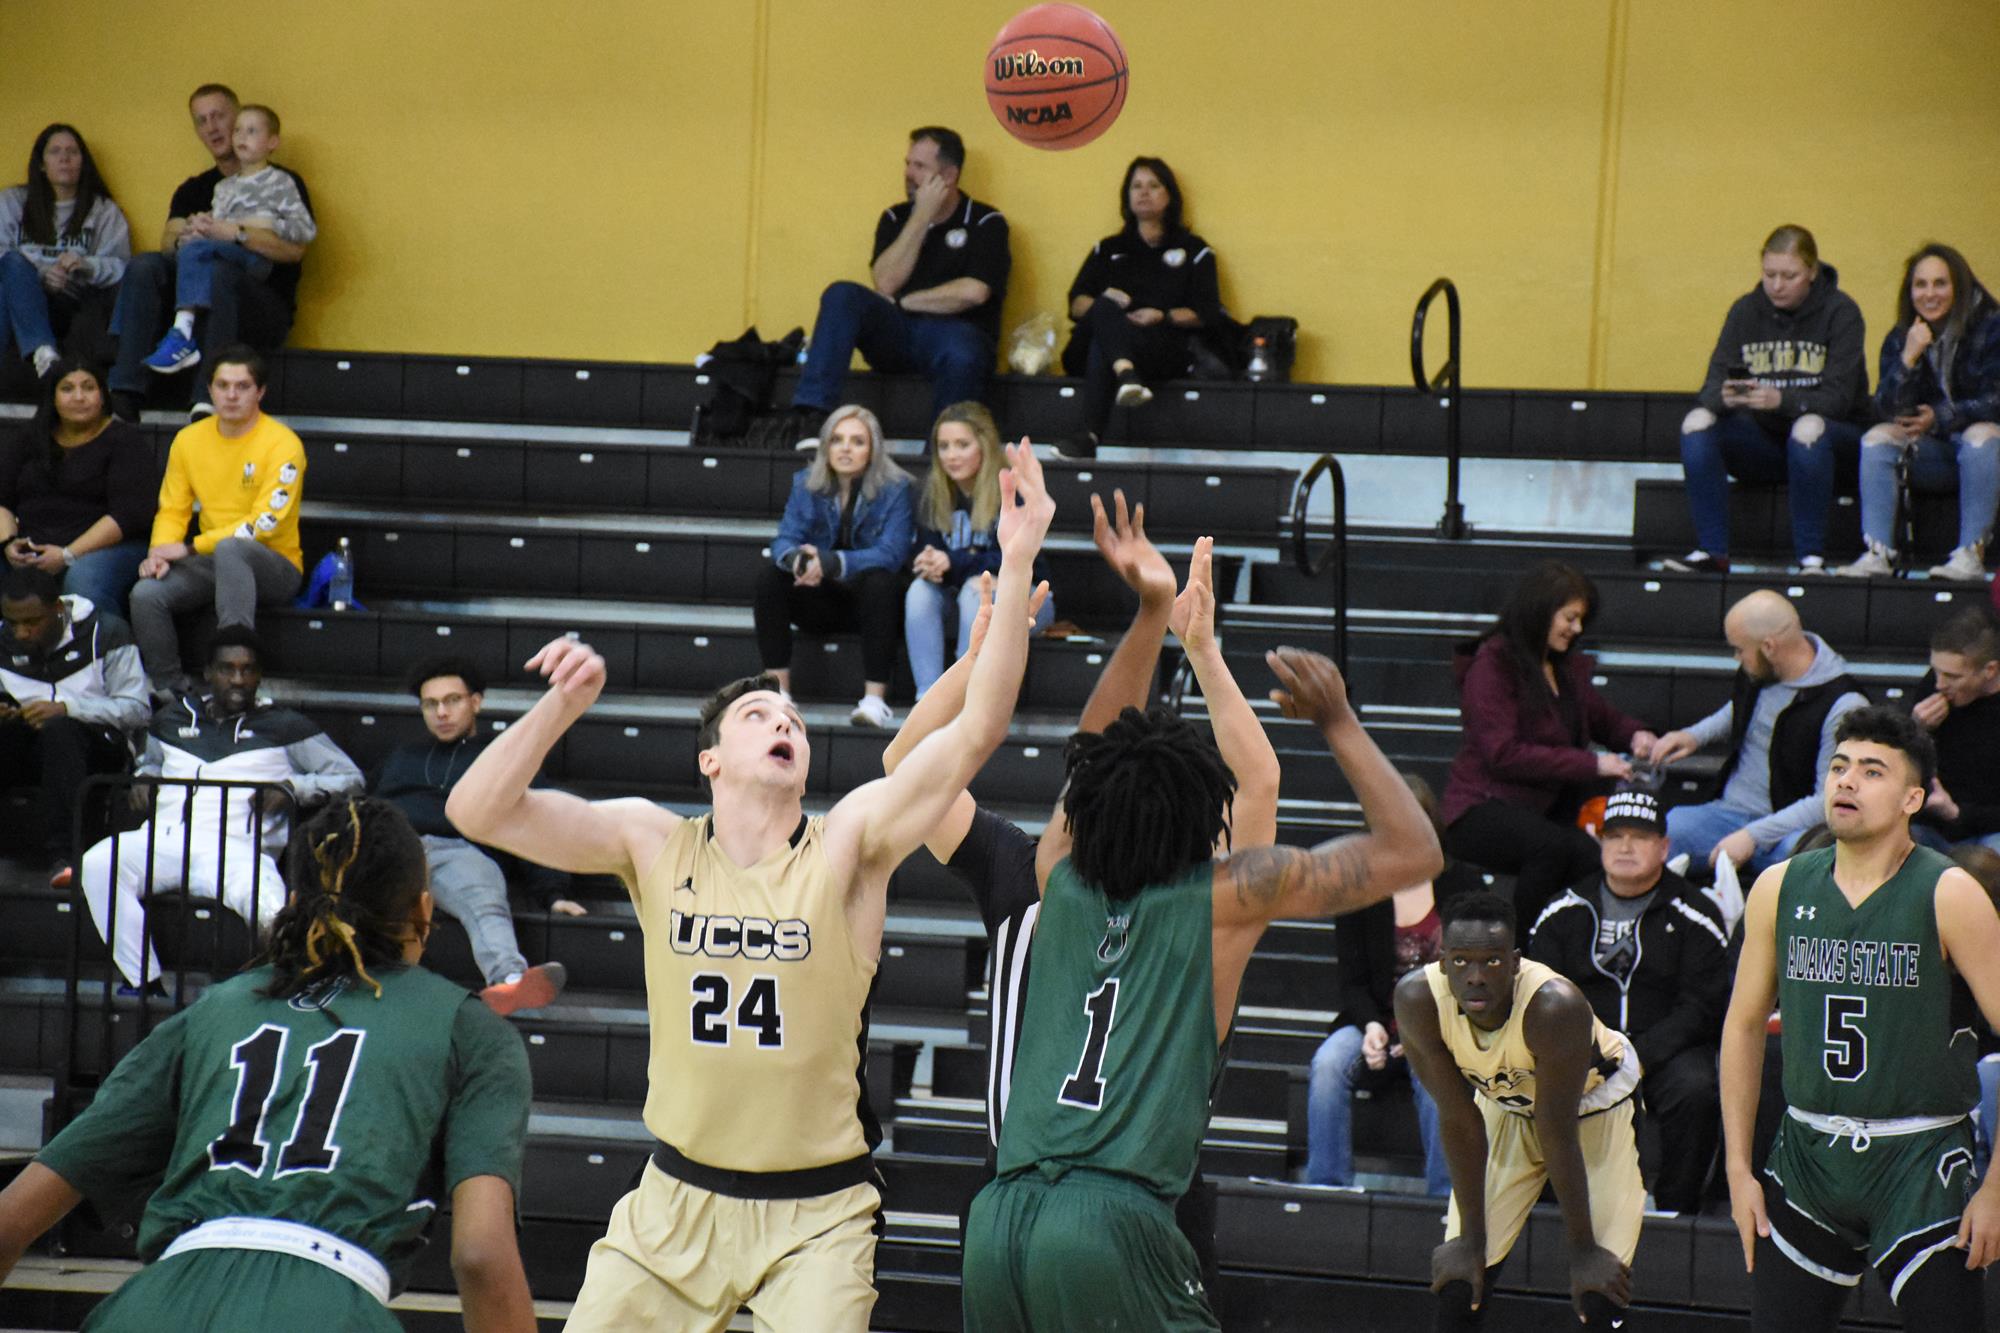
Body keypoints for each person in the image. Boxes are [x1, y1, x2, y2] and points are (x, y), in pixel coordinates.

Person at [446, 441, 1055, 1331]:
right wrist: (557, 708)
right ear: (712, 760)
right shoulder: (654, 842)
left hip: (818, 1215)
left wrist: (1020, 548)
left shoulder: (850, 841)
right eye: (759, 714)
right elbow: (478, 809)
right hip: (671, 1205)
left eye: (795, 719)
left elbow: (976, 732)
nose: (784, 722)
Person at [960, 626, 1441, 1332]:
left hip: (997, 1226)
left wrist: (1148, 612)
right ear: (1201, 816)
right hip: (1113, 1222)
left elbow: (1089, 747)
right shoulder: (1221, 901)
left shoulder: (1056, 881)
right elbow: (1413, 849)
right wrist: (1338, 720)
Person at [888, 503, 1275, 1293]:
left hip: (1050, 1197)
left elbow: (906, 762)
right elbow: (1260, 785)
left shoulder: (1038, 878)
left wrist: (992, 656)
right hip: (1116, 1201)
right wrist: (1189, 644)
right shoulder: (1183, 904)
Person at [0, 798, 538, 1333]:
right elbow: (480, 1256)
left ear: (296, 902)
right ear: (424, 911)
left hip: (155, 1304)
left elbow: (10, 1218)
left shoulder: (214, 1009)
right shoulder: (470, 1029)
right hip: (325, 1304)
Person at [1720, 706, 2000, 1330]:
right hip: (1807, 1157)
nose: (1846, 781)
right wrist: (1739, 1168)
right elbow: (1741, 1027)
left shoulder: (1949, 892)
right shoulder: (1779, 886)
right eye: (1839, 766)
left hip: (1920, 1159)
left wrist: (1998, 1188)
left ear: (1912, 799)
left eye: (1872, 772)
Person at [1397, 891, 1644, 1330]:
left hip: (1595, 1109)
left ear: (1514, 963)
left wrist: (1583, 1250)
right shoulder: (1418, 1001)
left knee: (1599, 1293)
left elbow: (1556, 1131)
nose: (1475, 977)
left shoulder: (1554, 1007)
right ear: (1442, 961)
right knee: (1459, 1285)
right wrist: (1471, 1240)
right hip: (1508, 1108)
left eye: (1490, 962)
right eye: (1461, 962)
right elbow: (1458, 1119)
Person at [79, 627, 364, 991]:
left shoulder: (286, 725)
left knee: (273, 912)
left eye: (248, 670)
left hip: (238, 852)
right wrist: (143, 779)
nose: (238, 679)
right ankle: (142, 981)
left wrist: (293, 788)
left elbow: (350, 777)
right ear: (208, 673)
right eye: (228, 669)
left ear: (259, 675)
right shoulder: (171, 719)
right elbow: (151, 763)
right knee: (99, 863)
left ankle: (283, 995)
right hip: (163, 841)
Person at [1527, 788, 1731, 1214]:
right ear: (1600, 843)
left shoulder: (1695, 911)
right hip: (1582, 1048)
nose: (1624, 846)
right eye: (1614, 835)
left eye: (1639, 837)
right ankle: (1552, 1211)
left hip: (1666, 1050)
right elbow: (1543, 994)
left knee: (1696, 1090)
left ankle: (1677, 1210)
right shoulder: (1563, 910)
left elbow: (1703, 1006)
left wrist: (1636, 1056)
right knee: (1535, 1082)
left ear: (1664, 847)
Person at [1439, 561, 1657, 920]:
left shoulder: (1562, 667)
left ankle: (1573, 950)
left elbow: (1602, 718)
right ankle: (1518, 948)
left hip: (1543, 807)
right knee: (1551, 847)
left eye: (1581, 619)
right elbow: (1503, 754)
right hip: (1480, 807)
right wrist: (1593, 763)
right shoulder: (1492, 666)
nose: (1577, 628)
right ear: (1541, 611)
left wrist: (1637, 735)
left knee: (1593, 858)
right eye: (1570, 618)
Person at [1307, 774, 1480, 1198]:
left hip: (1443, 1024)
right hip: (1375, 1018)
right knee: (1328, 1063)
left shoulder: (1463, 885)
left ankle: (1448, 1196)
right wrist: (1371, 1026)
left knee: (1438, 1072)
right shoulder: (1361, 890)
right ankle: (1326, 1190)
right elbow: (1351, 981)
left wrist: (1423, 1030)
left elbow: (1477, 979)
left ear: (1430, 826)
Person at [371, 656, 574, 1017]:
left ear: (476, 702)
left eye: (452, 700)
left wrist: (553, 893)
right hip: (397, 846)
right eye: (431, 704)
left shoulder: (503, 755)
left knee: (484, 900)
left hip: (461, 851)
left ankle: (509, 980)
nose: (441, 713)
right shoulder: (404, 756)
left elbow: (536, 820)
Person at [1666, 225, 1869, 575]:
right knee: (1697, 422)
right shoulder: (1745, 311)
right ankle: (1712, 552)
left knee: (1808, 428)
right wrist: (1726, 398)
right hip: (1764, 442)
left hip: (1831, 444)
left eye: (1789, 276)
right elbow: (1710, 388)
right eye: (1769, 274)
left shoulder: (1842, 312)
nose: (1776, 285)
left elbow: (1839, 400)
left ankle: (1811, 559)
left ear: (1812, 272)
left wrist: (1782, 400)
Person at [108, 85, 314, 421]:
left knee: (219, 273)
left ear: (238, 120)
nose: (212, 127)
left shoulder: (282, 182)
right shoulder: (198, 189)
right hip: (199, 291)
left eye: (219, 117)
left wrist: (235, 233)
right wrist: (190, 236)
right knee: (145, 265)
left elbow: (296, 249)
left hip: (261, 304)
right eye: (202, 121)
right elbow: (168, 241)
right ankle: (125, 391)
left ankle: (205, 397)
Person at [788, 127, 1010, 432]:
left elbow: (973, 292)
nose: (908, 173)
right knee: (842, 295)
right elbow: (886, 283)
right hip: (899, 335)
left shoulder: (986, 221)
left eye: (919, 167)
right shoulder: (895, 218)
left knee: (962, 351)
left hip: (955, 334)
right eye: (907, 163)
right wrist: (921, 216)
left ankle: (940, 454)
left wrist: (905, 302)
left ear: (948, 176)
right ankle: (811, 417)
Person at [1652, 590, 1869, 875]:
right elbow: (1739, 709)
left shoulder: (1844, 705)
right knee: (1667, 832)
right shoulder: (1759, 670)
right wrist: (1693, 736)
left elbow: (1828, 798)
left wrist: (1752, 836)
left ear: (1769, 647)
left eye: (1740, 649)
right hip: (1728, 812)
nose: (1736, 657)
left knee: (1802, 858)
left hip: (1789, 825)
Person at [129, 346, 305, 697]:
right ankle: (171, 692)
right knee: (146, 594)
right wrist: (158, 553)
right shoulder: (189, 440)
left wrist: (191, 546)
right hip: (213, 559)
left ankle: (234, 679)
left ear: (261, 392)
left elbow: (264, 523)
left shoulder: (283, 444)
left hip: (275, 564)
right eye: (223, 385)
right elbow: (172, 509)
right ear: (210, 391)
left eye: (242, 386)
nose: (231, 395)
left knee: (231, 548)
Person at [1837, 244, 2000, 582]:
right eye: (1920, 285)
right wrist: (1908, 359)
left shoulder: (1991, 327)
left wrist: (1940, 417)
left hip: (1984, 452)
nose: (1930, 294)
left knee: (1981, 435)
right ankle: (1878, 552)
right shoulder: (1903, 336)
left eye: (1940, 284)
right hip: (1934, 452)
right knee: (1878, 438)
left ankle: (1971, 552)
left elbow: (1996, 400)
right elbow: (1883, 409)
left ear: (1960, 287)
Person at [756, 404, 914, 727]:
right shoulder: (805, 483)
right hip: (821, 599)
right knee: (771, 577)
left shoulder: (896, 489)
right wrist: (799, 561)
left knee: (881, 582)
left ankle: (874, 701)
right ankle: (779, 694)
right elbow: (784, 539)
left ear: (872, 450)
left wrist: (834, 562)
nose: (845, 448)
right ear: (826, 446)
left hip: (871, 606)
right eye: (837, 440)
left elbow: (892, 553)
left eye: (857, 441)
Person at [1058, 156, 1223, 460]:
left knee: (1103, 345)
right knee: (1106, 308)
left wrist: (1163, 314)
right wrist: (1105, 304)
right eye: (1136, 186)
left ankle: (1090, 434)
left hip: (1156, 347)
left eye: (1153, 186)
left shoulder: (1193, 250)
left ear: (1170, 195)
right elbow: (1077, 304)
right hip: (1089, 348)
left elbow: (1208, 312)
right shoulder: (1107, 249)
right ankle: (1126, 375)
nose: (1143, 192)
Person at [141, 106, 317, 382]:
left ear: (272, 142)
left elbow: (303, 230)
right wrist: (202, 227)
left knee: (201, 254)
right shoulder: (223, 188)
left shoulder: (281, 182)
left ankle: (183, 329)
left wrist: (256, 224)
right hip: (224, 258)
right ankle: (183, 332)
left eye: (252, 131)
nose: (241, 137)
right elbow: (218, 227)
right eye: (237, 130)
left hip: (255, 262)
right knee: (191, 247)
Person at [0, 566, 148, 885]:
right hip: (35, 744)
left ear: (57, 610)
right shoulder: (4, 641)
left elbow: (137, 709)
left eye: (31, 622)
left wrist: (69, 708)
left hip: (102, 745)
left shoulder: (107, 631)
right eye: (12, 623)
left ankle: (64, 857)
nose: (21, 633)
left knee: (61, 730)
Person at [905, 402, 1054, 698]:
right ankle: (928, 697)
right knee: (919, 591)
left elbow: (1018, 558)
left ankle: (966, 697)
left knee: (977, 591)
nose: (951, 455)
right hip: (961, 596)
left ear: (983, 445)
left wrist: (955, 563)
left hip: (1028, 594)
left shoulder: (1012, 489)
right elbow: (930, 550)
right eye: (944, 446)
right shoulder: (932, 492)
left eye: (962, 445)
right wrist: (927, 561)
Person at [0, 357, 157, 617]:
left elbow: (128, 515)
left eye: (88, 387)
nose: (79, 396)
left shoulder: (125, 441)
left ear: (103, 396)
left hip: (106, 547)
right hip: (33, 547)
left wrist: (67, 554)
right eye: (67, 389)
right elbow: (2, 499)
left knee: (83, 578)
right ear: (53, 397)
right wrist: (8, 544)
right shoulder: (30, 437)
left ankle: (98, 652)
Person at [0, 124, 130, 379]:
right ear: (40, 163)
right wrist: (40, 275)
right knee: (11, 265)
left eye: (73, 152)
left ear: (84, 162)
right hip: (21, 297)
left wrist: (87, 265)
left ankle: (42, 350)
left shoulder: (102, 210)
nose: (64, 158)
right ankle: (43, 350)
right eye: (55, 152)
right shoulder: (13, 201)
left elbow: (123, 265)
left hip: (73, 302)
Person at [1910, 606, 2000, 851]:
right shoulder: (1934, 684)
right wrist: (1915, 728)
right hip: (1929, 825)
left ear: (1989, 670)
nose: (1940, 684)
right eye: (1936, 670)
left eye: (1952, 676)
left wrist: (1956, 813)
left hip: (1989, 830)